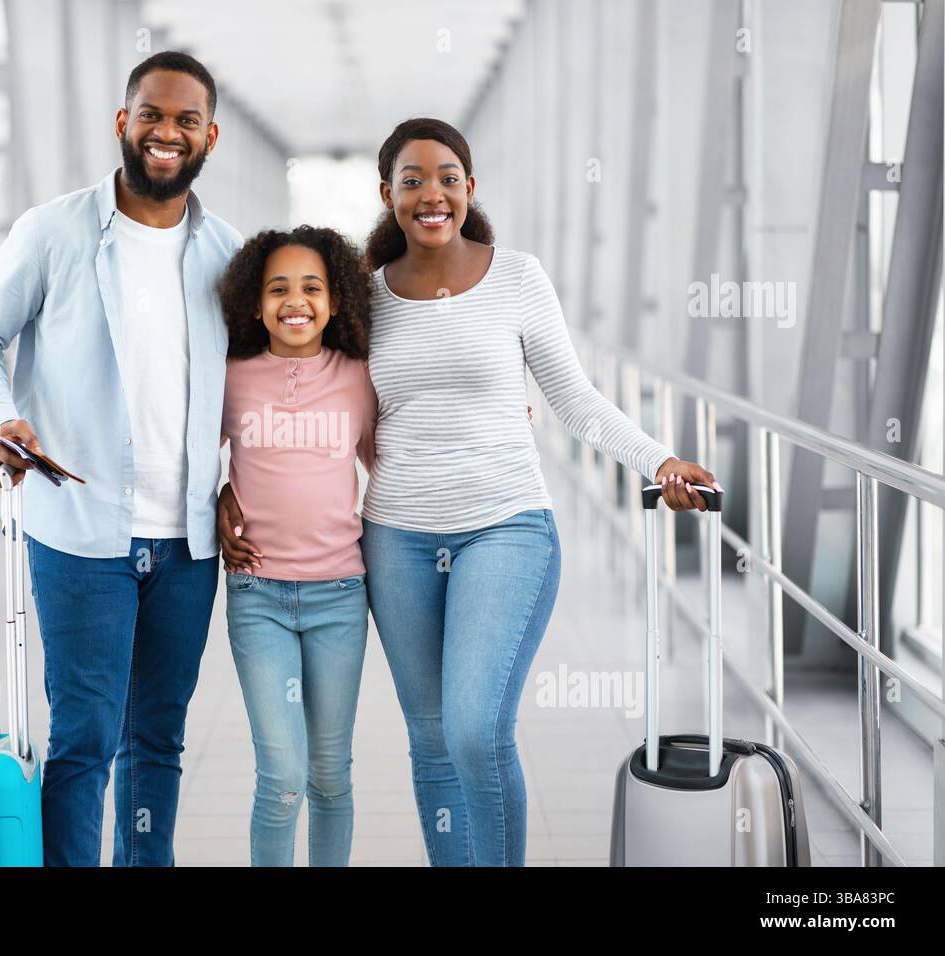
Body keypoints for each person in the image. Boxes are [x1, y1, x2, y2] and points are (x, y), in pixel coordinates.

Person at [220, 117, 718, 867]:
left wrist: (660, 461)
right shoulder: (365, 297)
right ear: (386, 194)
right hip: (396, 538)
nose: (431, 195)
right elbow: (310, 391)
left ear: (470, 188)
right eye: (412, 180)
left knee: (473, 730)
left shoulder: (518, 277)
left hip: (505, 525)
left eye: (447, 178)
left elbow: (575, 400)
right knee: (430, 743)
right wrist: (225, 486)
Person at [0, 51, 242, 867]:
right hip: (78, 532)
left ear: (210, 136)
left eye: (187, 120)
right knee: (81, 738)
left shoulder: (228, 253)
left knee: (158, 739)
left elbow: (272, 378)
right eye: (152, 114)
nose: (167, 133)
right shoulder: (53, 231)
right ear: (123, 122)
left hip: (185, 543)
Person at [215, 226, 375, 865]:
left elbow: (398, 454)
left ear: (335, 301)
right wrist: (217, 494)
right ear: (255, 304)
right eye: (277, 288)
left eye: (312, 287)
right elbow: (192, 453)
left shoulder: (359, 376)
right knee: (281, 779)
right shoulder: (232, 375)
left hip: (340, 596)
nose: (295, 301)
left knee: (331, 776)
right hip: (258, 596)